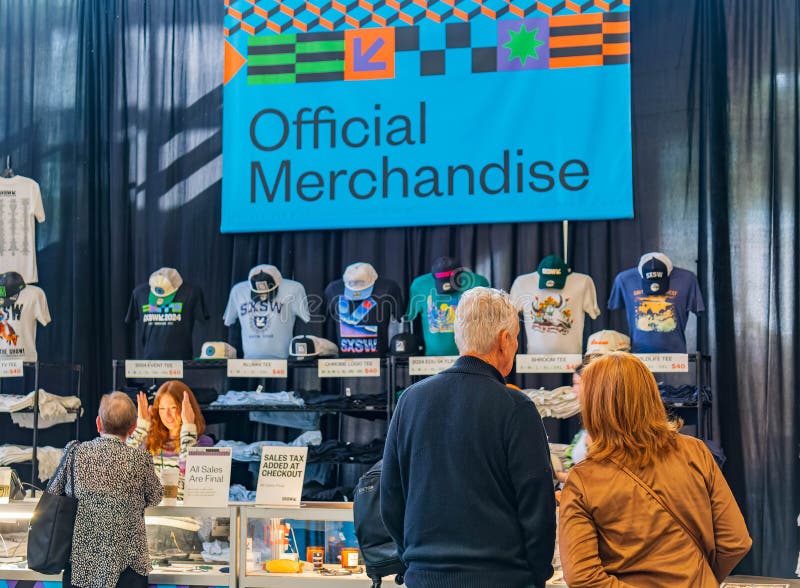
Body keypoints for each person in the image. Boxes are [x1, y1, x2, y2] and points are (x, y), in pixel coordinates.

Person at [381, 287, 556, 588]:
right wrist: (535, 576)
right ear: (504, 341)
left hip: (424, 577)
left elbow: (390, 500)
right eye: (515, 339)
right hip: (502, 579)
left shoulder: (410, 401)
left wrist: (416, 561)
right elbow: (538, 510)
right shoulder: (516, 408)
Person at [559, 353, 751, 587]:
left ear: (594, 406)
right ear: (650, 394)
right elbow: (735, 542)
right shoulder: (695, 452)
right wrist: (699, 578)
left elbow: (582, 577)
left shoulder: (583, 479)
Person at [48, 392, 162, 588]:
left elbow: (53, 491)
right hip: (128, 568)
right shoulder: (140, 460)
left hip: (81, 565)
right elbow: (155, 497)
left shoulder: (74, 452)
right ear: (133, 428)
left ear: (98, 423)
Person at [127, 380, 213, 498]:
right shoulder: (150, 442)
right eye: (162, 408)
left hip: (186, 515)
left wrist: (188, 427)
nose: (167, 415)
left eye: (173, 407)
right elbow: (123, 468)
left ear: (186, 408)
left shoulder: (203, 443)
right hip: (154, 514)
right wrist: (141, 426)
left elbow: (190, 474)